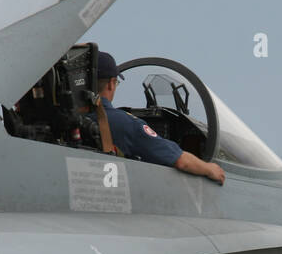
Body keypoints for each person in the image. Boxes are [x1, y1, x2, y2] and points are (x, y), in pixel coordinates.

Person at [86, 51, 224, 184]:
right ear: (111, 83)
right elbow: (181, 161)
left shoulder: (70, 120)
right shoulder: (126, 123)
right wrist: (209, 169)